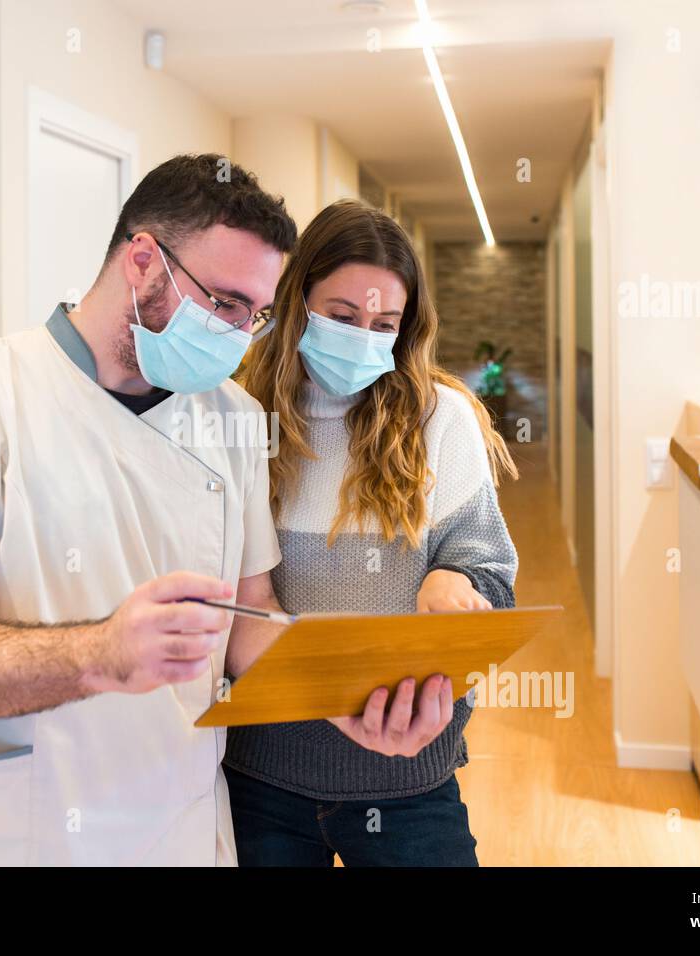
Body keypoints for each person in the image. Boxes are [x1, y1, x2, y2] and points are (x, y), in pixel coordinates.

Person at [0, 154, 297, 866]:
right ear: (143, 261)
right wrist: (99, 656)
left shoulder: (234, 421)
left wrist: (356, 699)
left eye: (257, 314)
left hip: (170, 826)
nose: (241, 335)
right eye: (226, 303)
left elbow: (249, 618)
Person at [222, 199, 519, 867]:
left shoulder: (441, 419)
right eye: (342, 317)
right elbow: (233, 600)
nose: (364, 339)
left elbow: (491, 572)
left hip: (409, 781)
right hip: (262, 774)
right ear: (296, 301)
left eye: (384, 324)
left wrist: (457, 581)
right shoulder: (240, 416)